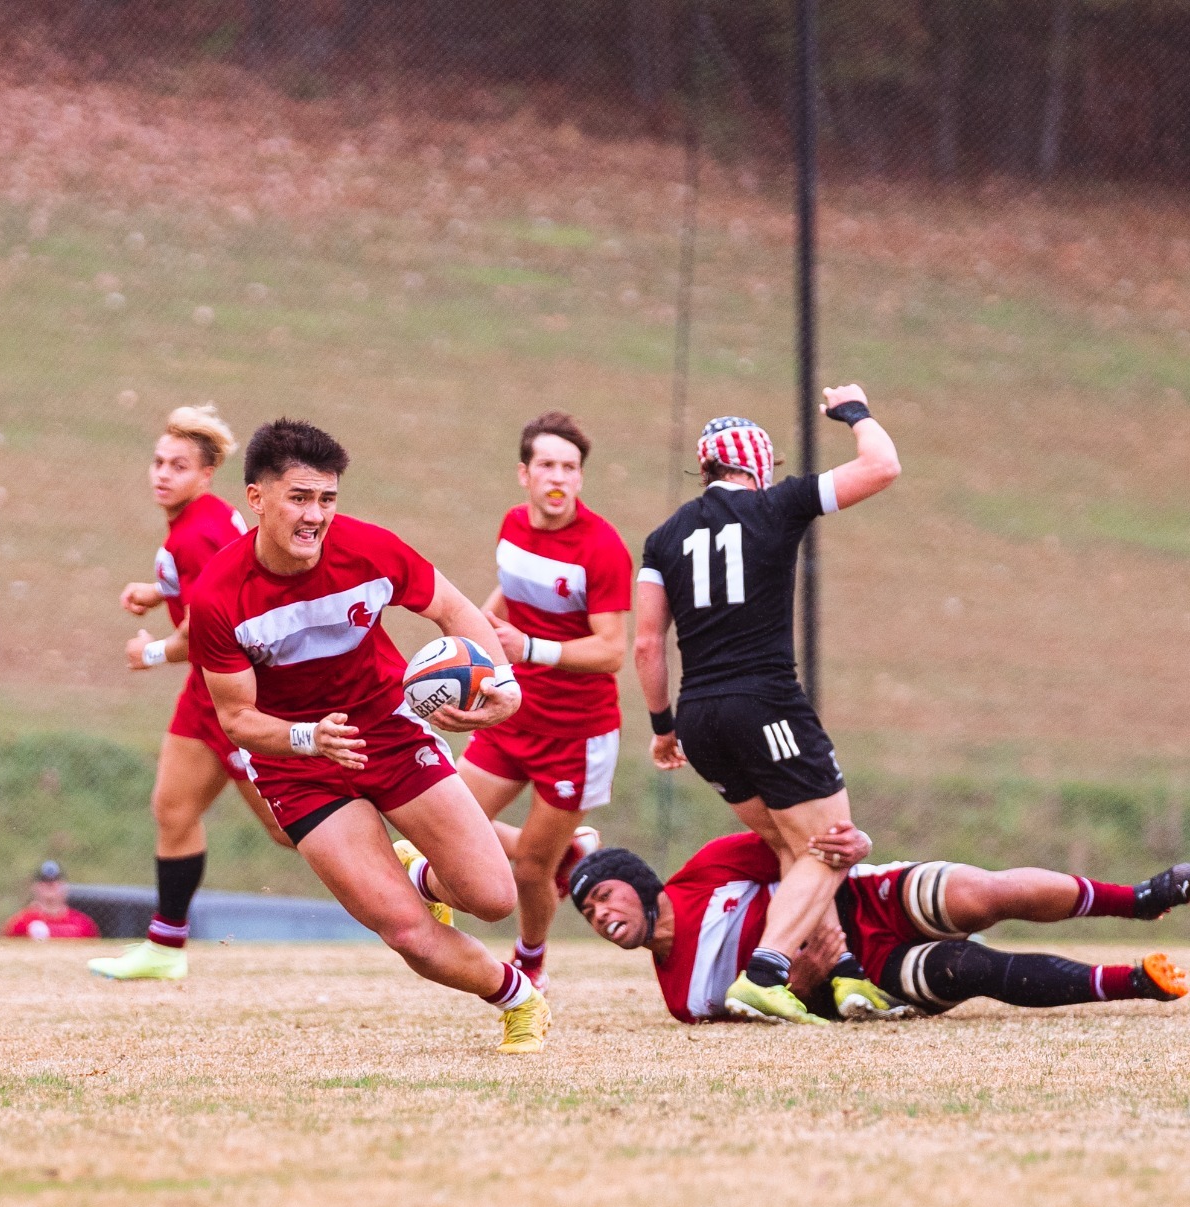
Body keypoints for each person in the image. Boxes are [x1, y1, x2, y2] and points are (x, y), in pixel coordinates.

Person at [187, 418, 549, 1053]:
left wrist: (503, 685)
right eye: (300, 498)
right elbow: (237, 720)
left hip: (387, 732)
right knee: (407, 933)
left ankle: (420, 877)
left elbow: (456, 610)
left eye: (327, 499)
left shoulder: (369, 549)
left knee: (494, 899)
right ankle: (519, 999)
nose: (315, 516)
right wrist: (309, 739)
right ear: (257, 498)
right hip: (297, 764)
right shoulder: (219, 596)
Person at [634, 387, 902, 1024]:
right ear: (758, 465)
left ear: (705, 467)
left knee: (793, 845)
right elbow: (882, 466)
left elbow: (646, 643)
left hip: (699, 718)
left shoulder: (662, 538)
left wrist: (663, 727)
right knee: (834, 846)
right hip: (766, 705)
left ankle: (846, 974)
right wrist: (855, 412)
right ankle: (764, 974)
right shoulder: (776, 504)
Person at [569, 828, 1189, 1025]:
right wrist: (801, 982)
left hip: (866, 901)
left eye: (603, 897)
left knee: (986, 894)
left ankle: (1139, 899)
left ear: (639, 881)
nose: (600, 916)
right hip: (867, 976)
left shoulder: (708, 869)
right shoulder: (682, 1000)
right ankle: (1137, 982)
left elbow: (807, 847)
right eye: (589, 914)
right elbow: (766, 1017)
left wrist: (852, 844)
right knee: (969, 967)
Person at [92, 405, 288, 983]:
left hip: (239, 692)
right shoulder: (202, 519)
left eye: (178, 466)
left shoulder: (197, 532)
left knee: (289, 827)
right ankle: (165, 946)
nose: (162, 474)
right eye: (158, 462)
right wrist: (160, 590)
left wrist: (150, 653)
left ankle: (413, 869)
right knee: (173, 809)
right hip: (208, 689)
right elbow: (217, 581)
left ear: (206, 474)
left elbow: (209, 626)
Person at [457, 411, 629, 1005]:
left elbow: (611, 651)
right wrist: (473, 634)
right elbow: (510, 593)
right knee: (446, 813)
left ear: (581, 477)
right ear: (524, 473)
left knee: (531, 869)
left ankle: (532, 960)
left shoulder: (602, 547)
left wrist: (528, 647)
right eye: (548, 465)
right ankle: (569, 851)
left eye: (570, 468)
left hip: (576, 735)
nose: (559, 478)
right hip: (511, 714)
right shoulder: (512, 525)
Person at [3, 861, 102, 940]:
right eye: (44, 880)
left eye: (55, 880)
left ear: (65, 886)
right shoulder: (20, 923)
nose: (50, 885)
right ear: (34, 886)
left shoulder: (83, 924)